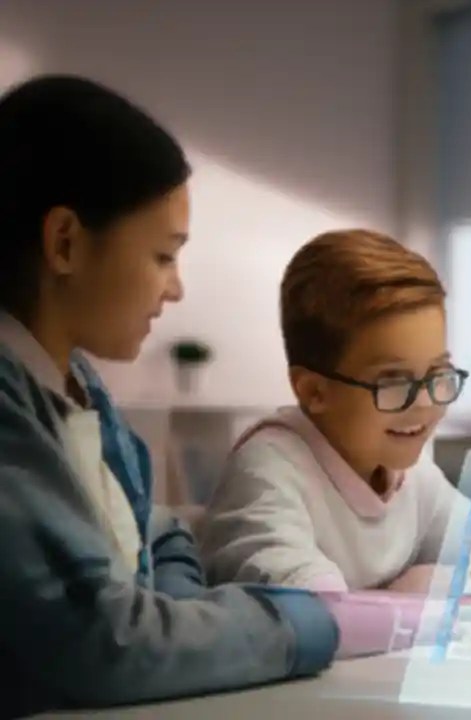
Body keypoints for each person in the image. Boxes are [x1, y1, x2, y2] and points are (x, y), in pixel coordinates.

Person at [0, 75, 345, 716]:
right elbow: (101, 637)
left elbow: (156, 533)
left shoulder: (78, 390)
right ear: (65, 242)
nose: (176, 289)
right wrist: (303, 623)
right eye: (164, 255)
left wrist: (181, 616)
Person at [199, 229, 471, 621]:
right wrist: (416, 595)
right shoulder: (269, 472)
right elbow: (315, 614)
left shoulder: (410, 472)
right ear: (314, 391)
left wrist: (457, 580)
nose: (426, 403)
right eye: (393, 382)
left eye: (438, 373)